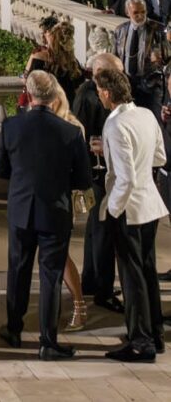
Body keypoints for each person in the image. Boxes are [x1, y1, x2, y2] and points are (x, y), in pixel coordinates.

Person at [0, 70, 93, 360]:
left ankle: (13, 328)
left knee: (18, 269)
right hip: (55, 212)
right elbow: (83, 180)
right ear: (53, 95)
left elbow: (0, 171)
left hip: (22, 210)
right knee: (50, 277)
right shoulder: (70, 132)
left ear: (30, 92)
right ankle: (48, 341)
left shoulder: (11, 126)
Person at [95, 65, 168, 361]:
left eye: (100, 91)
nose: (99, 96)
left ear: (108, 93)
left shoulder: (114, 125)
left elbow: (124, 178)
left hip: (128, 209)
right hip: (150, 205)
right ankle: (155, 335)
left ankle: (140, 342)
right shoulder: (147, 115)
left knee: (131, 277)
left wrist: (113, 211)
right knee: (147, 272)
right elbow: (160, 156)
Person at [71, 51, 125, 314]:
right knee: (103, 232)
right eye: (117, 72)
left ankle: (91, 281)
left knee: (96, 229)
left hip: (98, 173)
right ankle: (102, 289)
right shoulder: (87, 96)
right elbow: (79, 135)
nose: (122, 77)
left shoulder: (97, 94)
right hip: (95, 174)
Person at [45, 86, 89, 330]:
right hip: (49, 201)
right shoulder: (54, 125)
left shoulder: (71, 128)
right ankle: (60, 308)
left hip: (60, 201)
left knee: (59, 255)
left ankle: (79, 306)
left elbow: (79, 172)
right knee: (54, 255)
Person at [112, 0, 171, 121]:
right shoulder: (120, 30)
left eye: (143, 11)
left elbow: (168, 59)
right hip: (127, 86)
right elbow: (115, 59)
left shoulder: (159, 30)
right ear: (127, 12)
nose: (140, 15)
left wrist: (160, 60)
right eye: (135, 12)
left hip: (151, 86)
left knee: (153, 122)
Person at [24, 18, 84, 104]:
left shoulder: (39, 57)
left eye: (46, 32)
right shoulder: (72, 61)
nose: (44, 34)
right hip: (67, 108)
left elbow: (28, 81)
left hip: (47, 108)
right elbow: (78, 88)